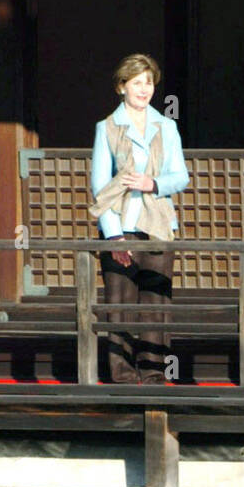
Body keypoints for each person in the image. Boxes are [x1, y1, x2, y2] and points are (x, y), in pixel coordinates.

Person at [90, 54, 189, 384]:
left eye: (148, 82)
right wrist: (114, 235)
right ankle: (122, 374)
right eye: (137, 83)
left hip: (158, 224)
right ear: (122, 87)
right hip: (122, 224)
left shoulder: (167, 126)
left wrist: (153, 183)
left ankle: (154, 373)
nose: (144, 89)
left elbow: (180, 177)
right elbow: (100, 186)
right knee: (120, 303)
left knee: (155, 304)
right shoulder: (106, 128)